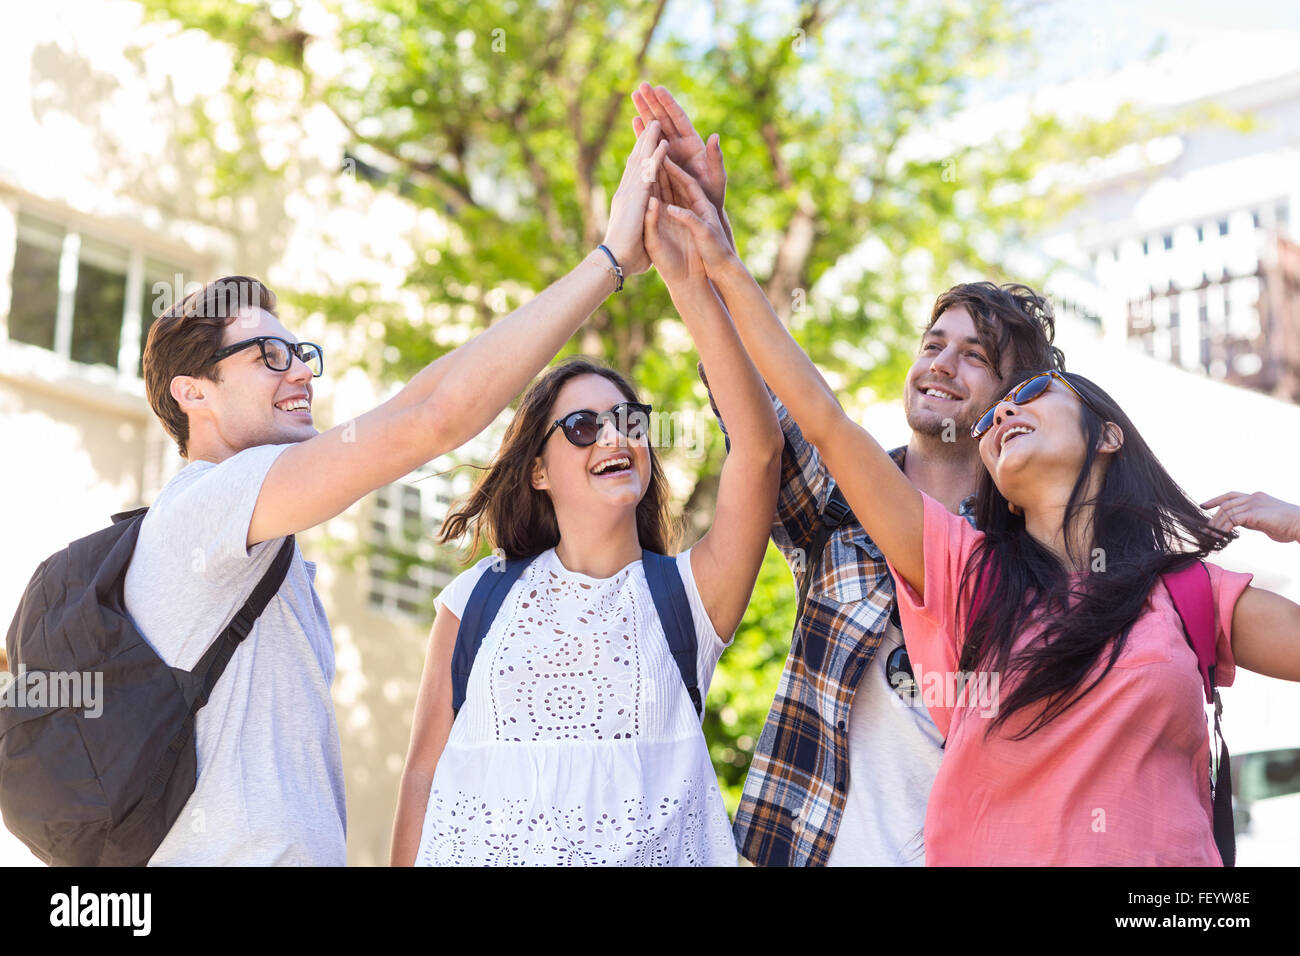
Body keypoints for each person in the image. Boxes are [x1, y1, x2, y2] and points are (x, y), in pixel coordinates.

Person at [653, 158, 1300, 864]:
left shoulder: (1179, 593)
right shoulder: (961, 567)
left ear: (1102, 429)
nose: (943, 366)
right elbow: (810, 421)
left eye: (988, 367)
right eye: (933, 345)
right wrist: (715, 264)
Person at [126, 120, 671, 865]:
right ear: (194, 393)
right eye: (271, 355)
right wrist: (609, 262)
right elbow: (435, 419)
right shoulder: (207, 506)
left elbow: (423, 400)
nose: (302, 372)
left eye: (303, 353)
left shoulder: (258, 533)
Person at [631, 84, 1065, 865]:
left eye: (976, 357)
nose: (942, 364)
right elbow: (755, 408)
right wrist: (701, 239)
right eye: (934, 343)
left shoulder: (1037, 551)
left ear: (1013, 404)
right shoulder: (837, 505)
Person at [389, 165, 784, 866]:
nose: (613, 438)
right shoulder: (476, 599)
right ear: (537, 470)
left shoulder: (688, 599)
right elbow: (423, 774)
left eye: (627, 420)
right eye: (581, 427)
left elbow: (757, 450)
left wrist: (690, 275)